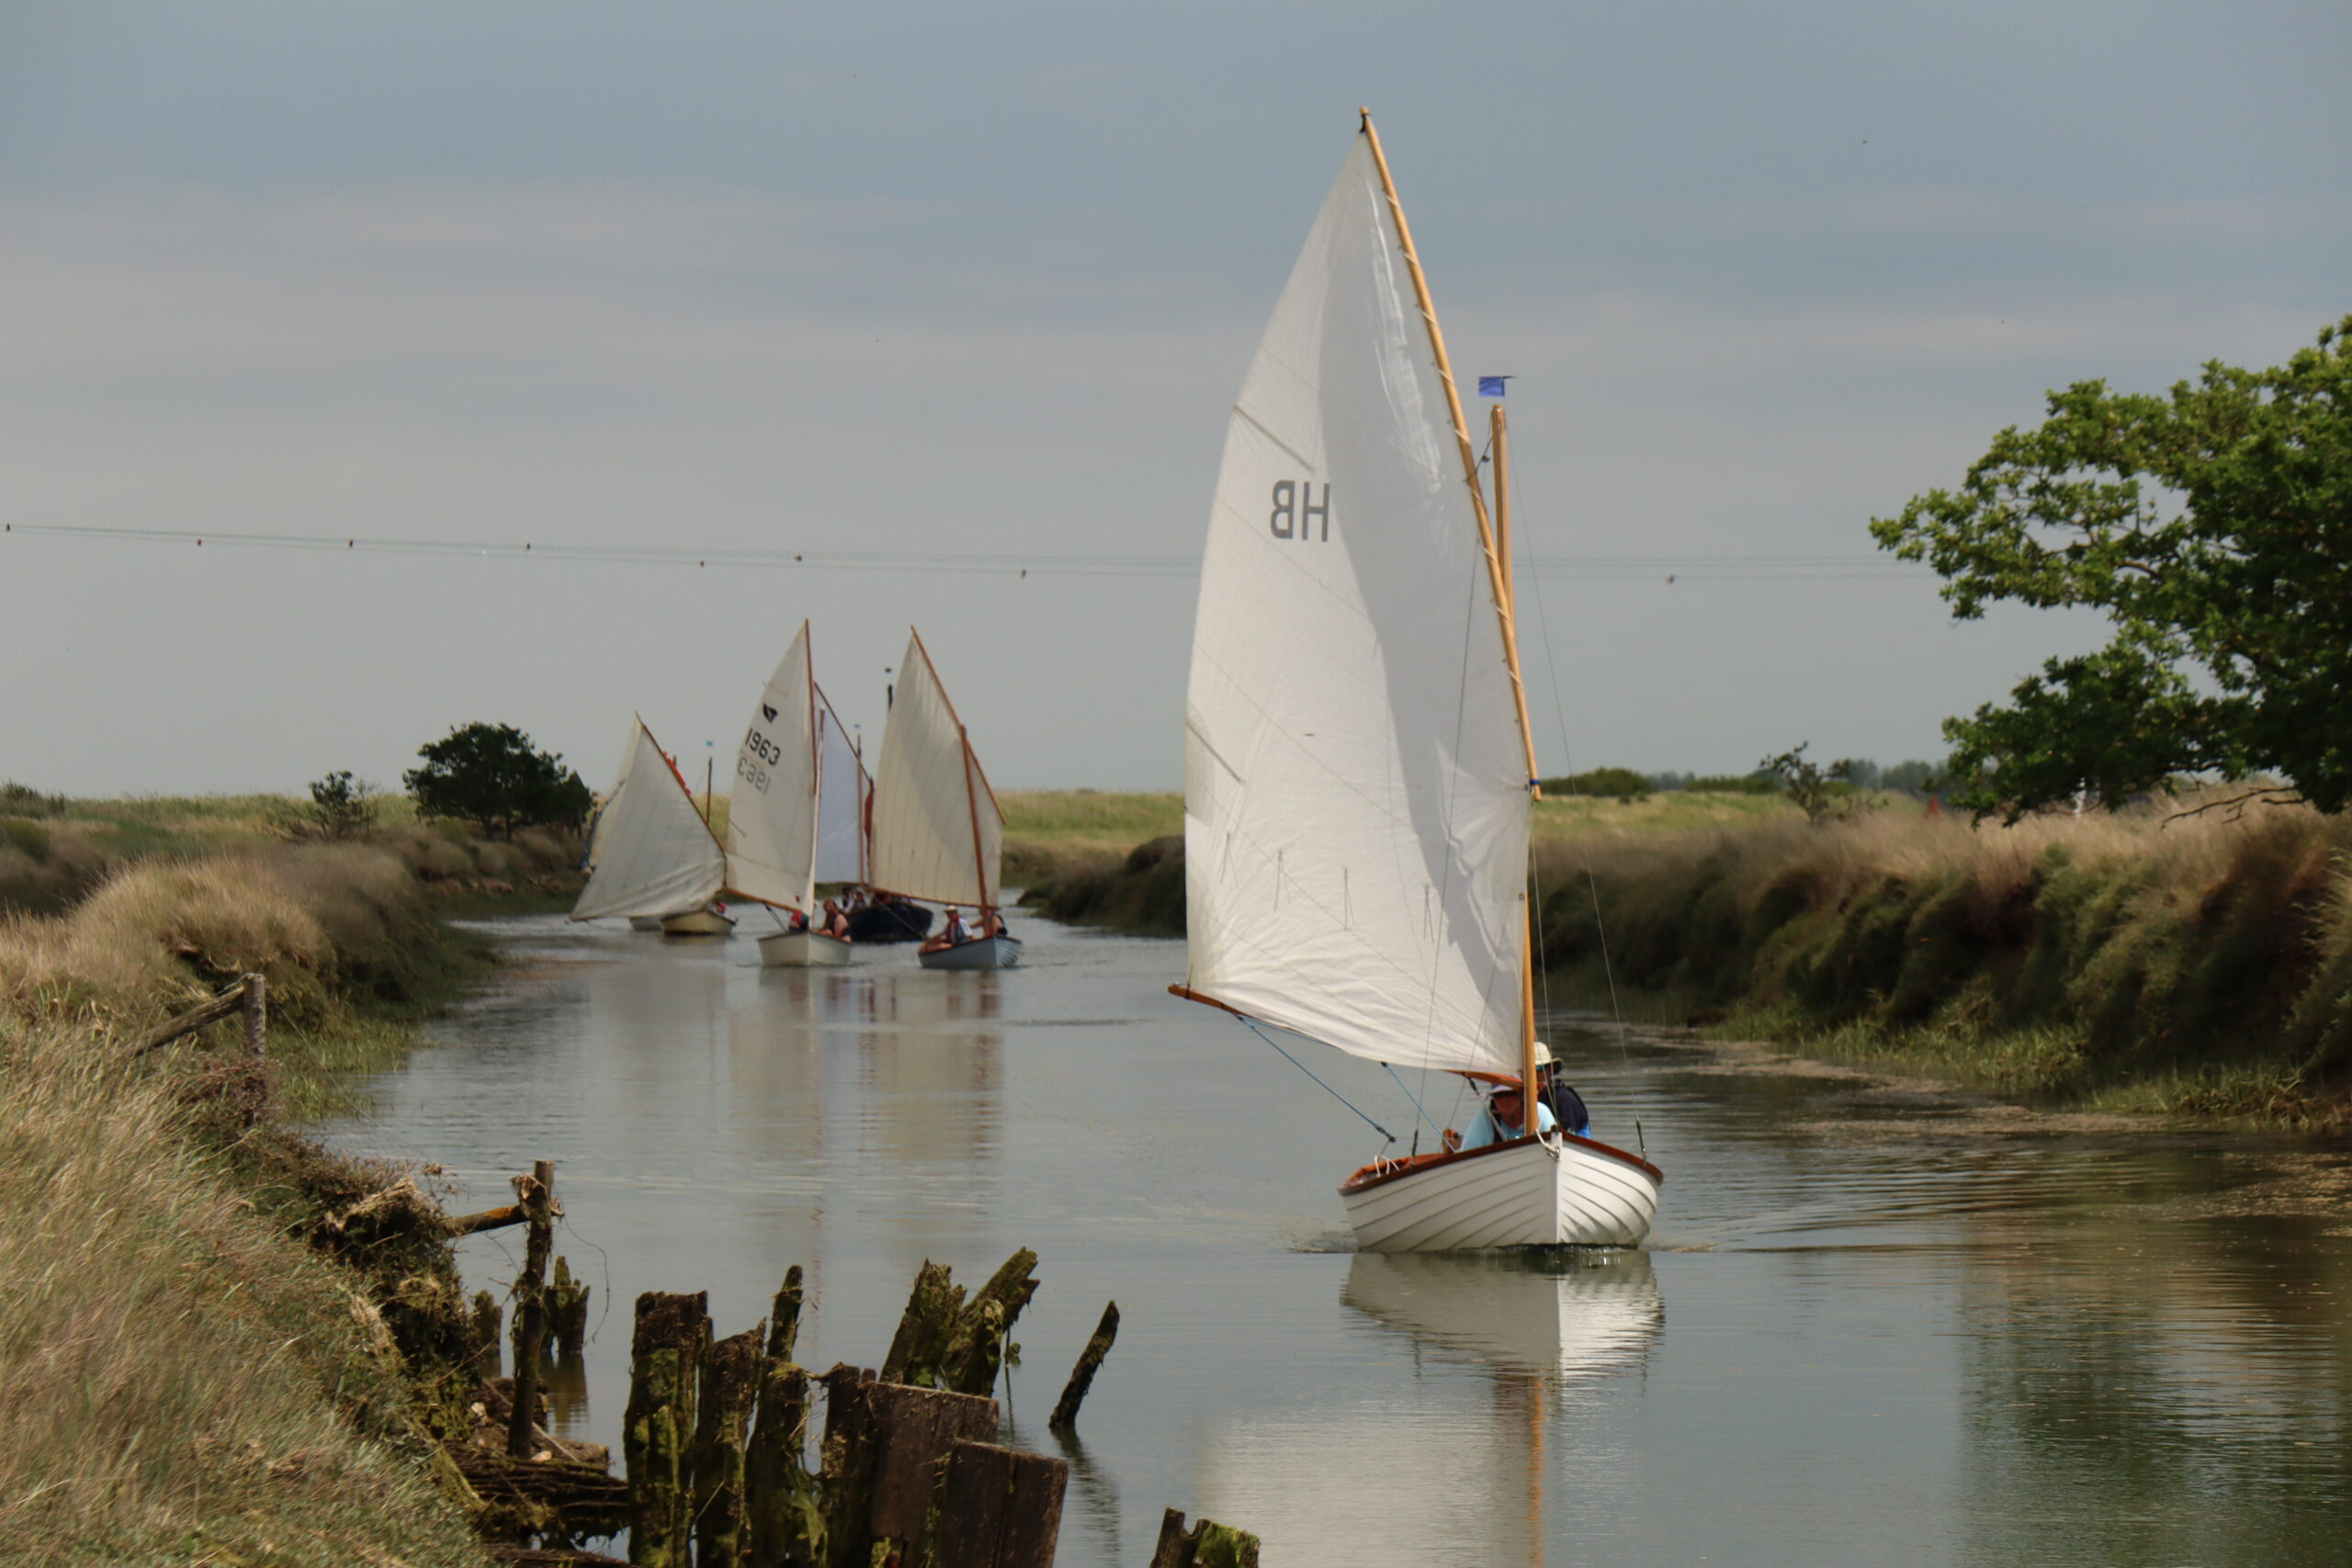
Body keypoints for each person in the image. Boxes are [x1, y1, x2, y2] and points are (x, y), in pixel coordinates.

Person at [1445, 1080, 1555, 1153]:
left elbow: (1556, 1149)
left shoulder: (1540, 1113)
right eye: (1498, 1095)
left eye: (1510, 1093)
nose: (1504, 1099)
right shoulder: (1485, 1119)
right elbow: (1466, 1155)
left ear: (1521, 1094)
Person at [1532, 1043, 1592, 1138]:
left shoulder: (1564, 1099)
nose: (1532, 1073)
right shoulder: (1514, 1099)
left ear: (1550, 1069)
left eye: (1538, 1068)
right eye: (1528, 1068)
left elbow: (1571, 1141)